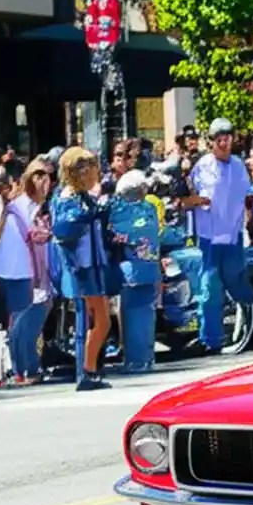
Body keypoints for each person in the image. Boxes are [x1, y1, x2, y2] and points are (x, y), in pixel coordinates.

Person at [0, 159, 52, 385]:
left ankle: (29, 368)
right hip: (4, 278)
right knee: (14, 329)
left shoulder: (20, 205)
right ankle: (20, 370)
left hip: (29, 275)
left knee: (28, 325)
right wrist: (2, 214)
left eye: (1, 181)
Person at [180, 118, 253, 356]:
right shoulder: (201, 166)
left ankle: (251, 331)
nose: (224, 144)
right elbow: (184, 201)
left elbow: (249, 195)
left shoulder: (238, 165)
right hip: (209, 238)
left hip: (234, 236)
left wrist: (251, 213)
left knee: (239, 283)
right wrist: (198, 201)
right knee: (210, 288)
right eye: (219, 140)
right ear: (211, 142)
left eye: (227, 139)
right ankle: (211, 339)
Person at [51, 147, 112, 390]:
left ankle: (89, 370)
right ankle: (85, 372)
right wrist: (90, 211)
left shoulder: (80, 196)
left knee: (101, 321)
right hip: (81, 266)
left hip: (90, 264)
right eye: (83, 166)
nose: (89, 171)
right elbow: (65, 230)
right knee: (87, 321)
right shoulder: (68, 198)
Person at [108, 170, 161, 374]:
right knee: (145, 314)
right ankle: (145, 357)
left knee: (132, 315)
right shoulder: (149, 209)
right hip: (148, 269)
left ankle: (136, 359)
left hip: (131, 270)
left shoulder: (117, 212)